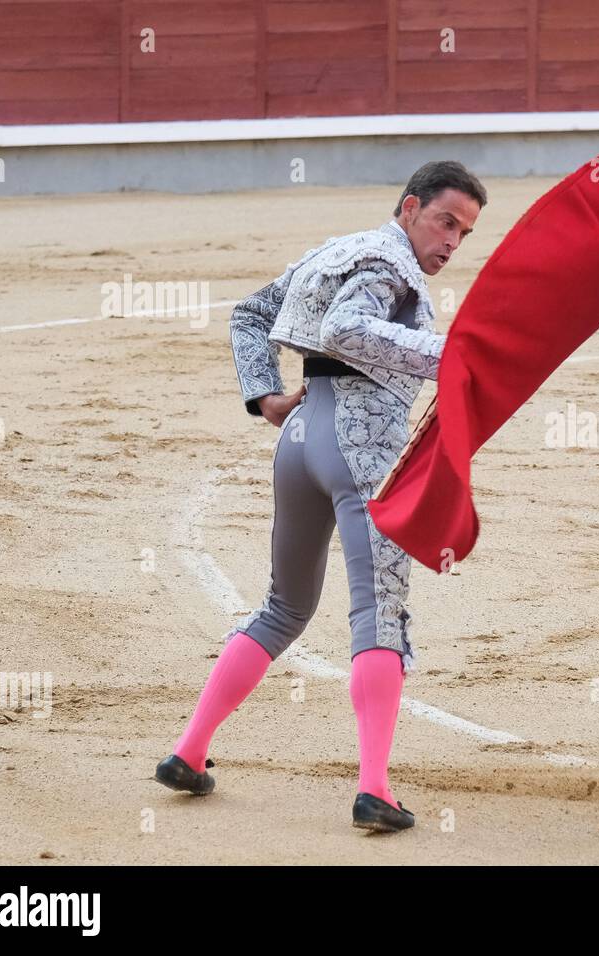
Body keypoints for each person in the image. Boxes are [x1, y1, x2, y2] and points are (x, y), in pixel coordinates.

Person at [155, 161, 487, 833]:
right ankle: (374, 790)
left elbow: (251, 313)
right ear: (409, 207)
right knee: (379, 613)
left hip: (301, 440)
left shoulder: (333, 252)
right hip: (359, 451)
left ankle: (188, 752)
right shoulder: (389, 265)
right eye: (445, 221)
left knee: (283, 608)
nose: (452, 241)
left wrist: (266, 396)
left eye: (466, 232)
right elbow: (344, 330)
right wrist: (447, 352)